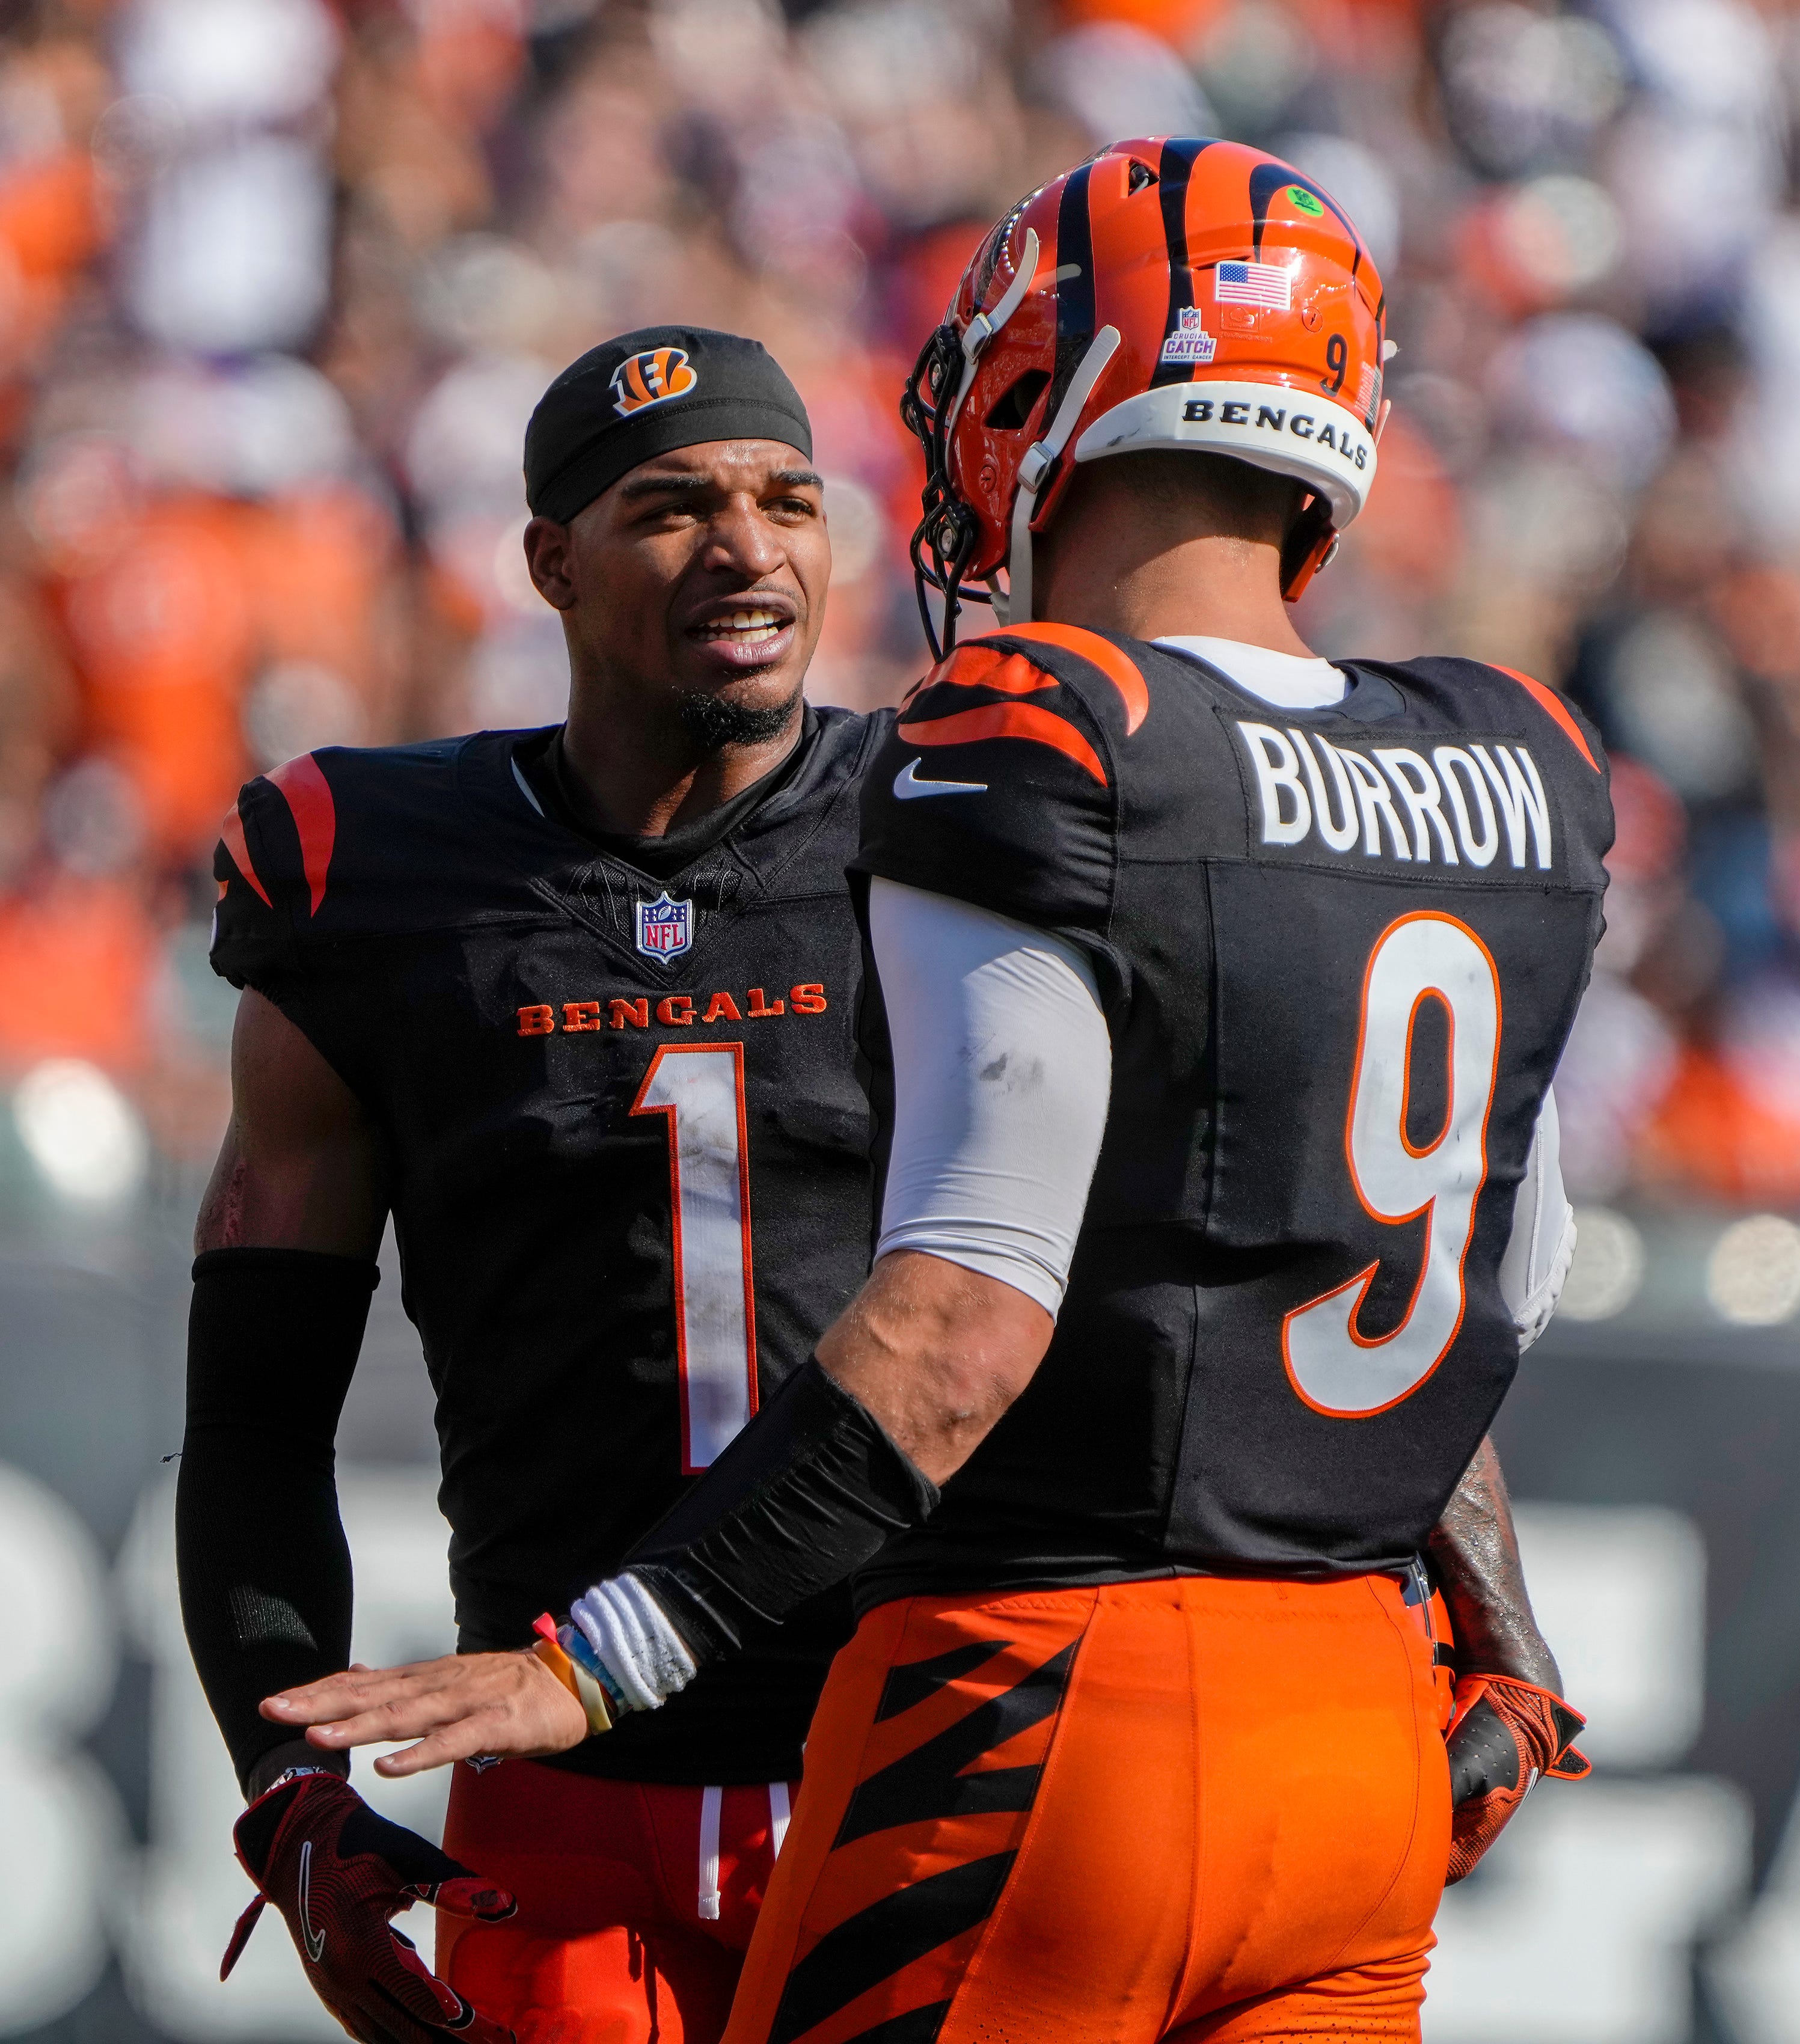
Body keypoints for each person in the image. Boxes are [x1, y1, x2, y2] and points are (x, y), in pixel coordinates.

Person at [262, 142, 1606, 2042]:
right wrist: (1496, 1635)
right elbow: (1499, 1271)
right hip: (1357, 1725)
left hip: (1041, 1698)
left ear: (1054, 384)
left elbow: (963, 1320)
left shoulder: (1036, 734)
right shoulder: (1514, 754)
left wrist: (591, 1663)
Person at [179, 326, 897, 2044]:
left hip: (899, 1769)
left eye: (789, 498)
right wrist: (288, 1783)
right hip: (561, 1800)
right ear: (549, 565)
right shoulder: (373, 874)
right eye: (674, 508)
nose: (748, 545)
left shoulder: (957, 816)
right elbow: (260, 1415)